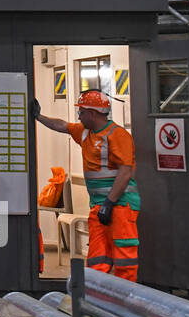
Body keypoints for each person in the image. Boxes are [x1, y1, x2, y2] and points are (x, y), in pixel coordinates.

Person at [32, 89, 140, 281]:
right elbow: (62, 126)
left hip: (121, 206)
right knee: (98, 256)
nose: (78, 116)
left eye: (81, 112)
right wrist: (39, 117)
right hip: (99, 206)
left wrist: (110, 202)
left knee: (124, 256)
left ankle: (126, 297)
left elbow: (125, 172)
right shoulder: (84, 133)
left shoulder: (118, 136)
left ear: (92, 113)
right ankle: (96, 295)